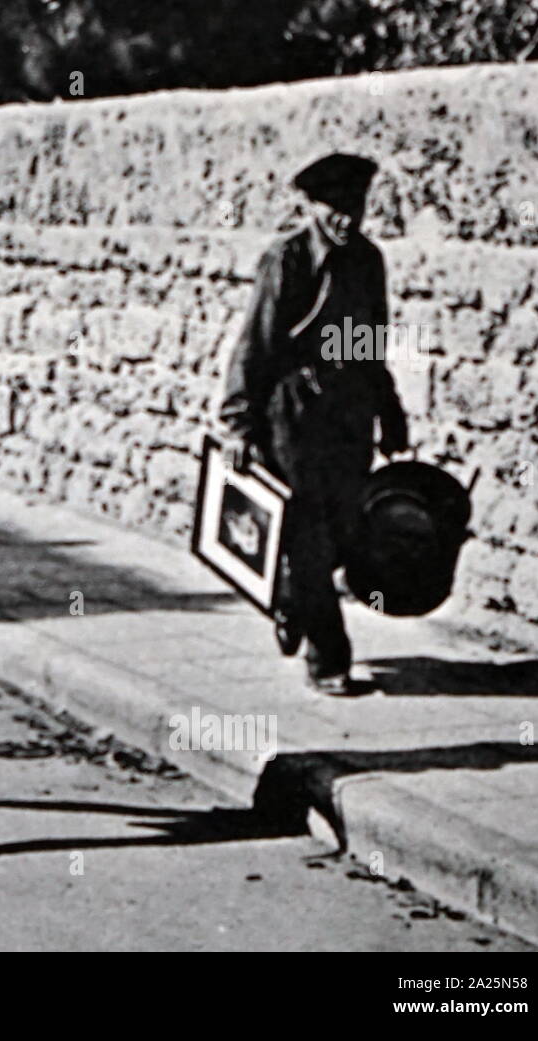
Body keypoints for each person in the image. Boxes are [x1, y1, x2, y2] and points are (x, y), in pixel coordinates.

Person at [220, 152, 409, 695]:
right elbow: (255, 343)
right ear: (311, 205)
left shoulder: (369, 261)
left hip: (350, 419)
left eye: (356, 206)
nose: (347, 218)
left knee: (343, 533)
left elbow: (373, 342)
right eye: (336, 207)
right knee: (308, 536)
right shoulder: (288, 259)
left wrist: (390, 413)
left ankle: (290, 593)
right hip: (294, 416)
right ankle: (329, 660)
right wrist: (240, 425)